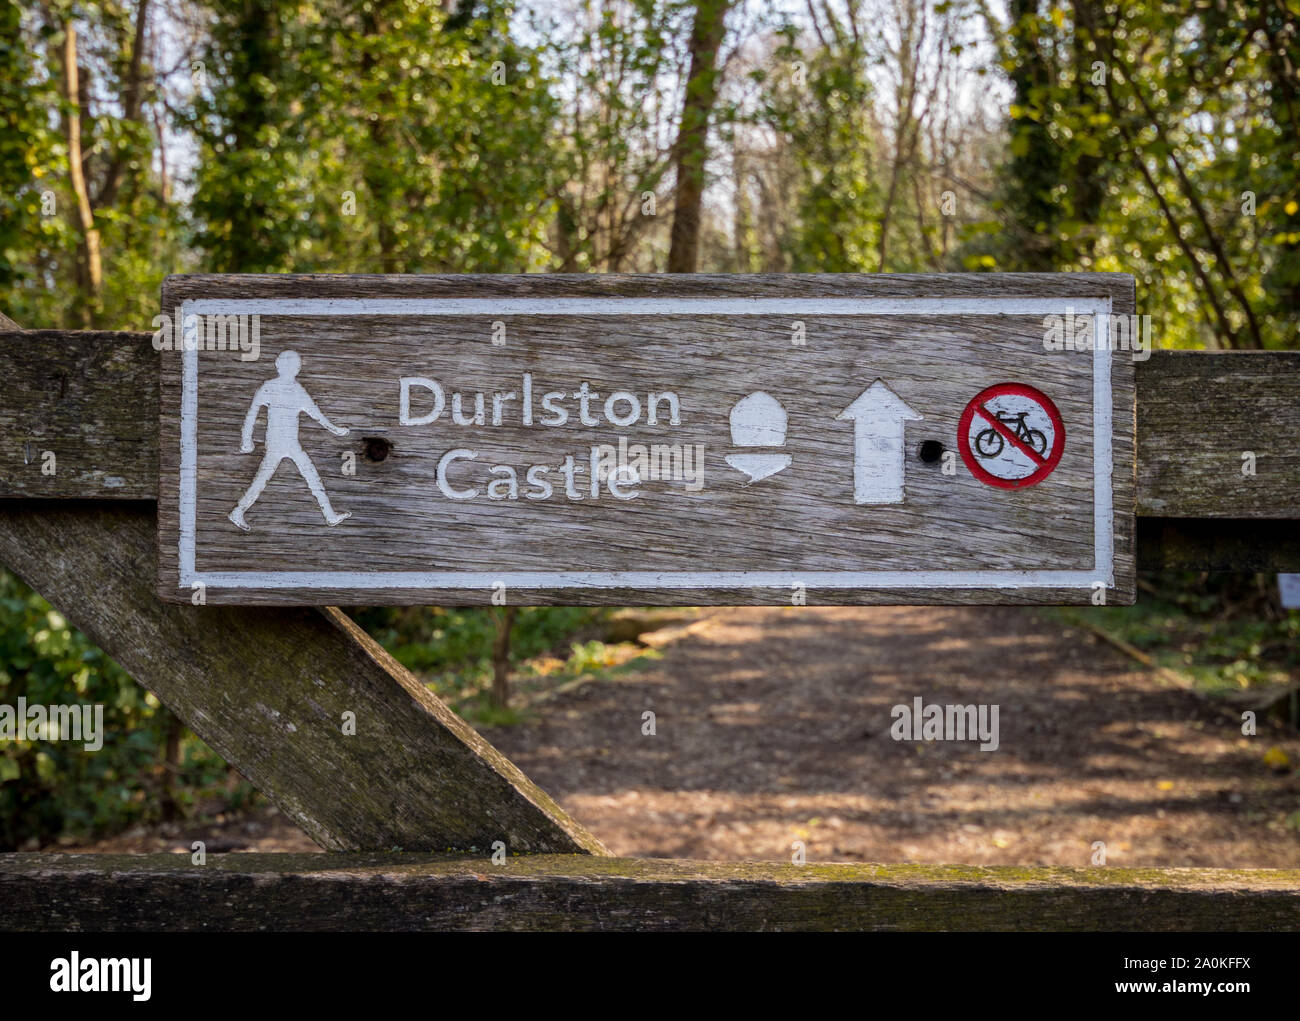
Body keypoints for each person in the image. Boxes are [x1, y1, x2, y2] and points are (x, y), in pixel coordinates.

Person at [229, 349, 351, 531]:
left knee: (310, 475)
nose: (293, 368)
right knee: (264, 479)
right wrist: (246, 438)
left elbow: (316, 414)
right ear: (279, 365)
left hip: (291, 442)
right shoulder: (269, 386)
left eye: (295, 365)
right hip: (276, 442)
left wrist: (336, 429)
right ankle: (238, 511)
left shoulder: (298, 390)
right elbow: (252, 413)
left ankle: (330, 514)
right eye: (289, 364)